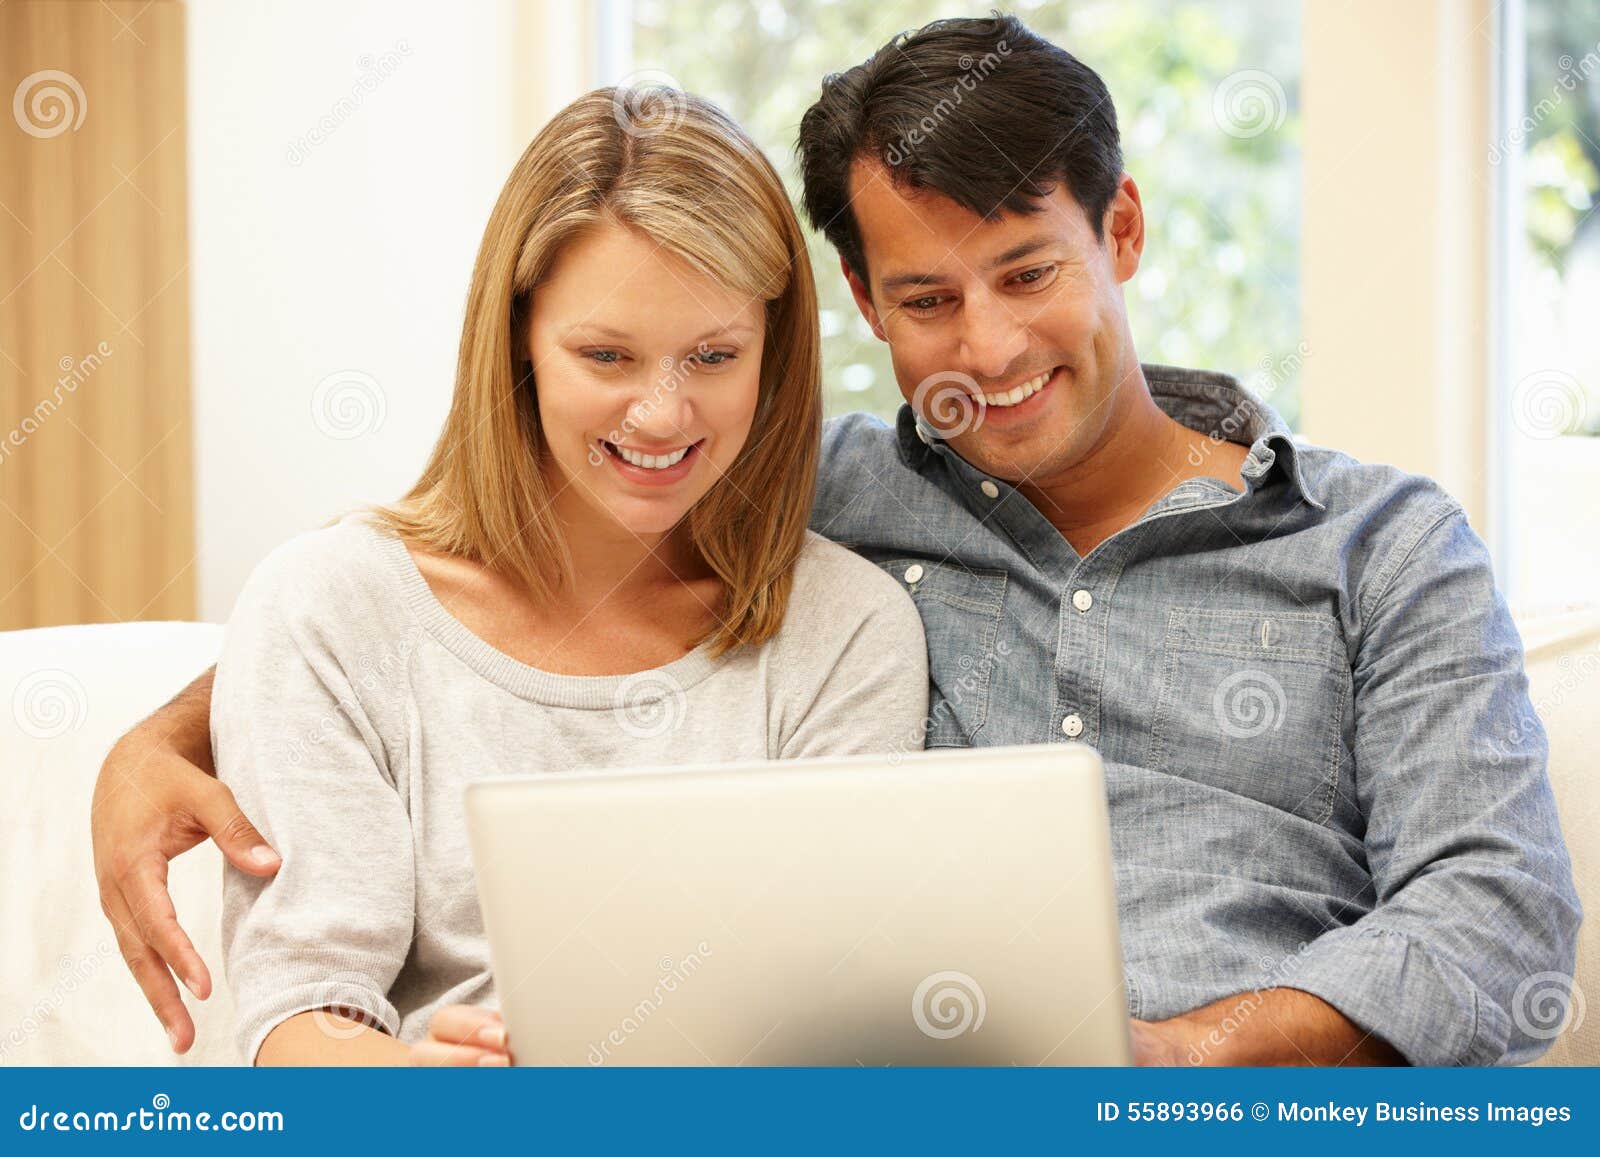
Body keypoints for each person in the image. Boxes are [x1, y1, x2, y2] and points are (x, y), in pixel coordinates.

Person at [93, 14, 1580, 1067]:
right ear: (860, 304)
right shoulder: (790, 492)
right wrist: (168, 728)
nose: (989, 349)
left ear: (1120, 231)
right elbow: (468, 566)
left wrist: (1179, 1058)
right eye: (927, 297)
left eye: (1029, 271)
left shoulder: (1377, 543)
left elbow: (1500, 915)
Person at [99, 87, 928, 1066]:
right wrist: (415, 1085)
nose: (662, 415)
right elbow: (301, 1018)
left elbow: (829, 1017)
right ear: (518, 343)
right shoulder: (329, 601)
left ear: (772, 354)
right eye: (605, 354)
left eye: (713, 354)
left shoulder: (847, 625)